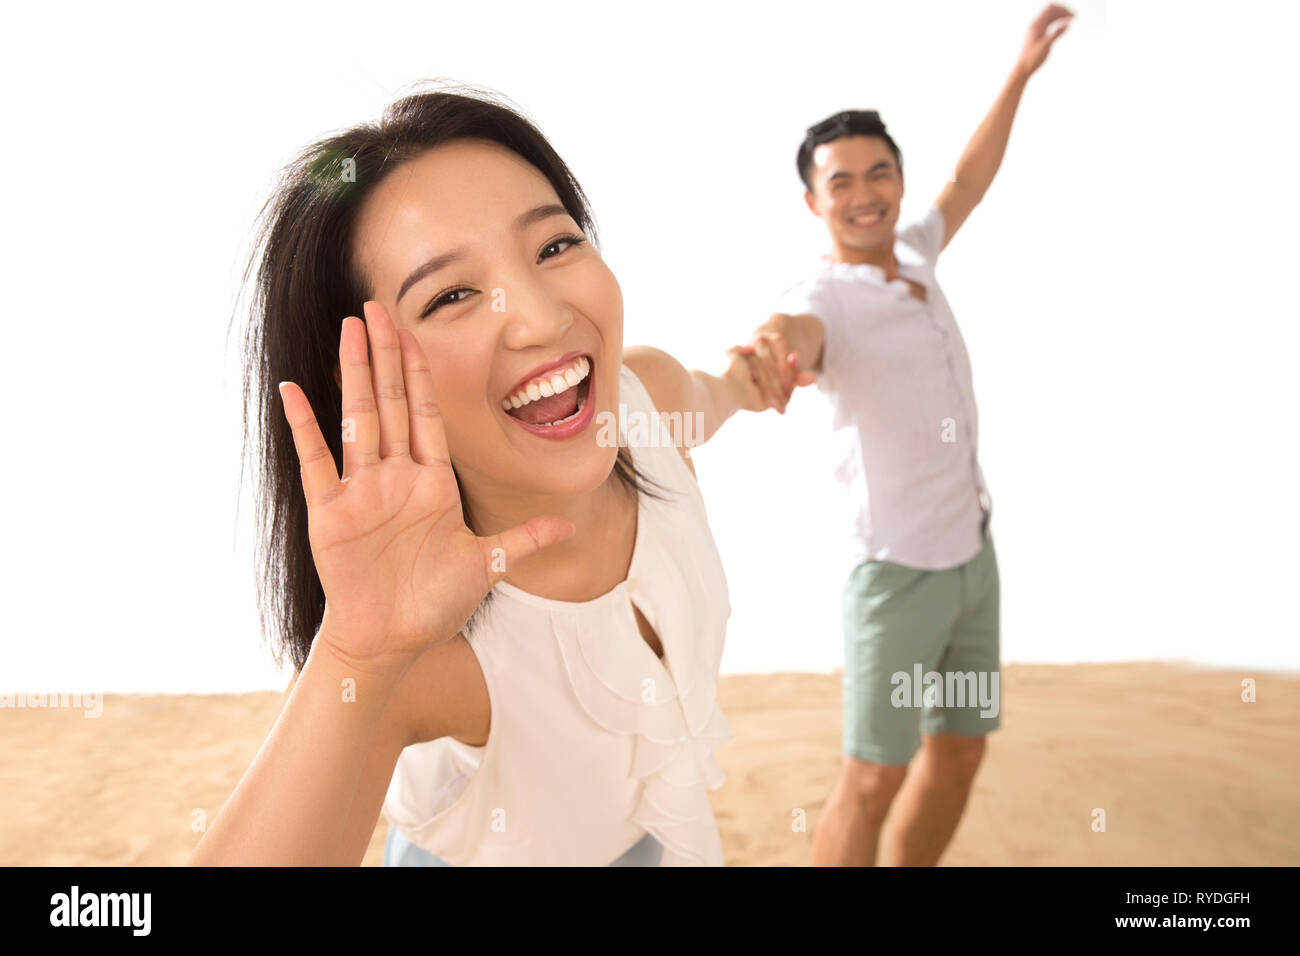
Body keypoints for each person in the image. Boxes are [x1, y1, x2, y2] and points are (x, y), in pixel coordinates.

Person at [188, 82, 773, 867]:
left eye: (555, 246)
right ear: (365, 380)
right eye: (453, 294)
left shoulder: (652, 402)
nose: (539, 318)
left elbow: (730, 387)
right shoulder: (425, 656)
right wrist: (358, 655)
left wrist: (768, 360)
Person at [735, 5, 1074, 865]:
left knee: (960, 750)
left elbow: (966, 180)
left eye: (877, 173)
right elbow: (793, 330)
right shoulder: (824, 297)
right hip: (898, 582)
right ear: (812, 200)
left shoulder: (917, 252)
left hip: (973, 561)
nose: (862, 194)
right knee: (872, 777)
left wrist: (1021, 72)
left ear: (897, 180)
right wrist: (775, 352)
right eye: (839, 181)